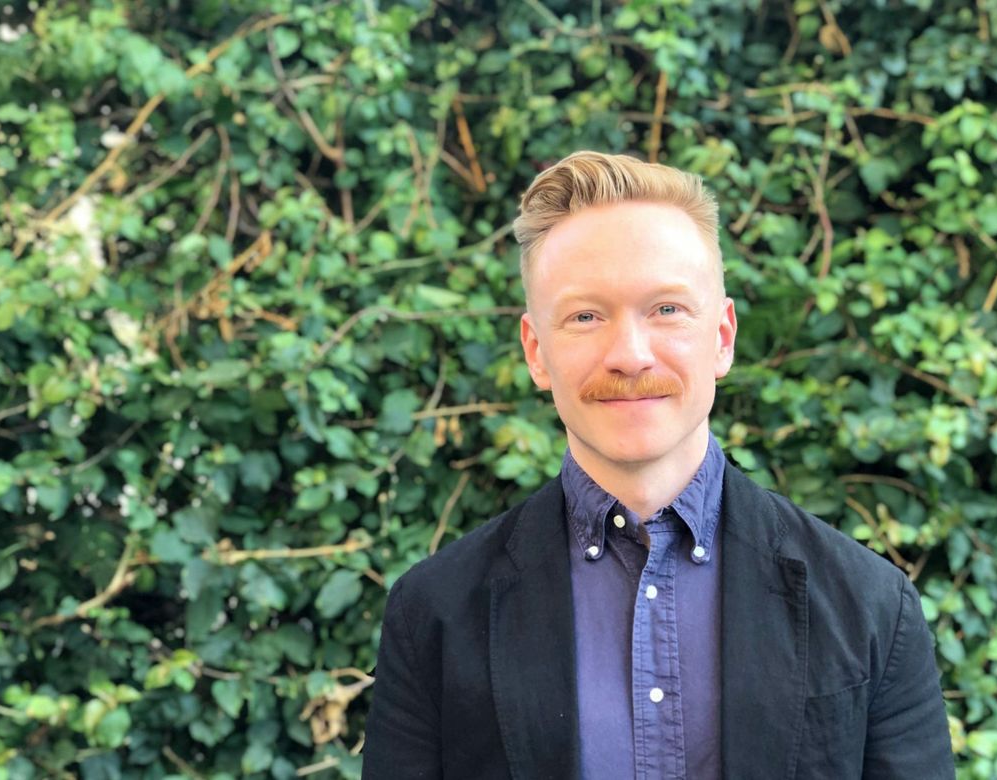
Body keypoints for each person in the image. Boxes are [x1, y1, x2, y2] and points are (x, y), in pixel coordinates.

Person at [361, 151, 954, 779]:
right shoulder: (434, 613)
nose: (630, 354)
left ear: (722, 337)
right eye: (586, 316)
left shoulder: (871, 607)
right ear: (536, 351)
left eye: (666, 309)